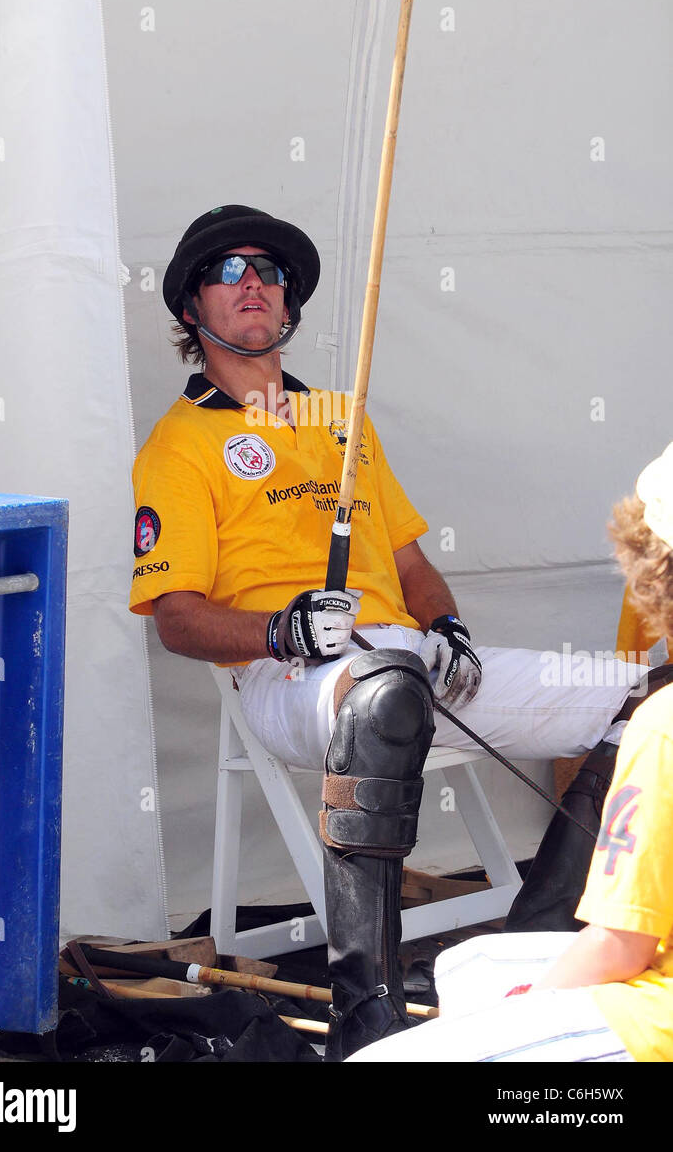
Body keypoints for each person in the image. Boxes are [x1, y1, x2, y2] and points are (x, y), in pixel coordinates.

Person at [129, 203, 645, 1061]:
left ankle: (545, 933)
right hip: (291, 677)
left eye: (267, 270)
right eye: (225, 272)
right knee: (385, 698)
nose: (250, 282)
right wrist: (284, 630)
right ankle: (362, 1002)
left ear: (289, 305)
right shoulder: (177, 448)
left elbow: (410, 563)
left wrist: (446, 623)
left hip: (410, 661)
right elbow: (177, 623)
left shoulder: (341, 418)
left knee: (648, 697)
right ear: (192, 311)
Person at [349, 441, 673, 1062]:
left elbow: (623, 946)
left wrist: (530, 1003)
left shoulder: (662, 727)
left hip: (648, 1013)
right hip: (325, 664)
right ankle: (543, 925)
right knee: (473, 965)